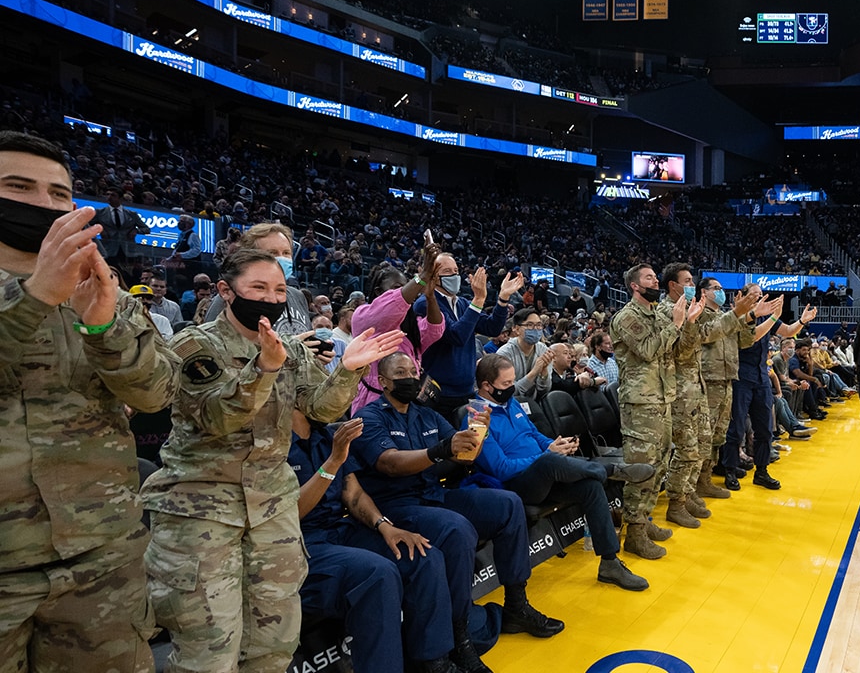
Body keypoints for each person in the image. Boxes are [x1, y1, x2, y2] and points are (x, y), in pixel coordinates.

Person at [141, 248, 404, 672]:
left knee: (274, 645)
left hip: (271, 510)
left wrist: (348, 370)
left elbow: (321, 409)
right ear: (226, 291)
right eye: (258, 288)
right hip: (202, 513)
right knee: (208, 654)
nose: (271, 298)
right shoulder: (194, 344)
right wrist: (263, 368)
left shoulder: (292, 352)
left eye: (279, 289)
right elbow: (217, 417)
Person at [0, 131, 180, 673]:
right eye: (19, 186)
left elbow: (156, 393)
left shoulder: (104, 290)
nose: (46, 205)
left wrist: (103, 327)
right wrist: (34, 298)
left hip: (101, 557)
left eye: (60, 194)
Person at [350, 352, 565, 644]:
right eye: (400, 374)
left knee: (507, 503)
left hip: (434, 495)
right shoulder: (369, 417)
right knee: (456, 528)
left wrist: (478, 432)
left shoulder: (426, 414)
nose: (410, 379)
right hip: (396, 506)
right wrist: (440, 450)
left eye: (413, 372)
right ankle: (461, 633)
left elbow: (465, 455)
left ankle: (516, 605)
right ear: (383, 381)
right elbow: (389, 462)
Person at [290, 412, 468, 673]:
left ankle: (434, 663)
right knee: (377, 573)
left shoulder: (328, 434)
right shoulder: (270, 444)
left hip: (340, 529)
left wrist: (385, 526)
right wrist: (332, 462)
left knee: (422, 556)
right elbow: (289, 512)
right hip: (300, 543)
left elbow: (353, 493)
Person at [471, 355, 652, 591]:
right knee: (549, 461)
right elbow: (500, 468)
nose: (512, 388)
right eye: (506, 384)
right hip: (516, 486)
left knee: (590, 487)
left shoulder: (511, 403)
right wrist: (546, 454)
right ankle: (608, 470)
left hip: (545, 474)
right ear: (486, 386)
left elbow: (534, 435)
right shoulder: (475, 418)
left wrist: (555, 443)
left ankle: (610, 563)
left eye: (513, 382)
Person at [609, 263, 697, 557]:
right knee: (641, 469)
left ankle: (644, 521)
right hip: (640, 403)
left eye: (655, 277)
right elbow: (647, 350)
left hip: (662, 398)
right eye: (648, 277)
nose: (655, 280)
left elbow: (675, 351)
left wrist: (685, 323)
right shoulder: (626, 317)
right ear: (634, 285)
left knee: (658, 464)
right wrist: (675, 324)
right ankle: (633, 534)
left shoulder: (657, 314)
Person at [655, 263, 751, 528]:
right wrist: (736, 314)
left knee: (701, 445)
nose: (691, 285)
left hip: (696, 386)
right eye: (687, 281)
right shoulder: (666, 311)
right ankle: (676, 503)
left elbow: (707, 334)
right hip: (679, 390)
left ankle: (688, 493)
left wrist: (741, 316)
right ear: (673, 285)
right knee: (686, 450)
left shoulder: (687, 310)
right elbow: (689, 346)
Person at [721, 283, 807, 492]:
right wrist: (771, 317)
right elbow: (753, 337)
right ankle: (730, 470)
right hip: (741, 377)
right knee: (737, 427)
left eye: (761, 296)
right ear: (742, 296)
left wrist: (803, 320)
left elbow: (787, 330)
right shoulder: (736, 317)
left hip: (761, 377)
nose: (759, 298)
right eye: (755, 295)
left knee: (765, 428)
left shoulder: (766, 318)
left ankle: (762, 471)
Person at [421, 254, 523, 424]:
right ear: (433, 277)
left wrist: (503, 298)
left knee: (471, 445)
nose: (454, 275)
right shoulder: (426, 304)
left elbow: (492, 328)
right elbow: (456, 336)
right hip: (439, 395)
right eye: (447, 271)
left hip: (466, 391)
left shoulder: (462, 303)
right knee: (447, 446)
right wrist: (478, 300)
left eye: (456, 270)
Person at [349, 245, 446, 413]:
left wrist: (430, 296)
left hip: (408, 404)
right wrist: (422, 276)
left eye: (404, 286)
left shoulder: (410, 325)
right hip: (373, 405)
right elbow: (393, 305)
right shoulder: (363, 315)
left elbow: (435, 329)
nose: (404, 291)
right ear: (379, 292)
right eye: (396, 287)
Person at [697, 278, 759, 499]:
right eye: (717, 288)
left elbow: (745, 341)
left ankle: (706, 478)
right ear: (704, 292)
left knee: (717, 435)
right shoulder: (699, 313)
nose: (721, 291)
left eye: (722, 288)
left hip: (727, 379)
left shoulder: (726, 316)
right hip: (708, 379)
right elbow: (707, 334)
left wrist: (749, 317)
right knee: (704, 436)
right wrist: (737, 314)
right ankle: (695, 483)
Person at [203, 222, 313, 335]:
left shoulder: (298, 296)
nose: (281, 258)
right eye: (272, 253)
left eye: (286, 253)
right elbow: (214, 343)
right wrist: (290, 349)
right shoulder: (230, 297)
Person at [495, 307, 553, 399]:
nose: (535, 329)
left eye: (539, 325)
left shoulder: (543, 350)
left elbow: (545, 390)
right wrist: (534, 372)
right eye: (530, 325)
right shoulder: (504, 354)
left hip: (533, 403)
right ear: (516, 329)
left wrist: (544, 373)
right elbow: (509, 392)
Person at [93, 187, 150, 265]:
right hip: (108, 250)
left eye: (113, 195)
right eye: (107, 194)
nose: (109, 197)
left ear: (120, 198)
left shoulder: (131, 214)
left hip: (128, 251)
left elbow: (147, 229)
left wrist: (136, 231)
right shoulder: (100, 212)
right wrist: (100, 229)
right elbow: (87, 225)